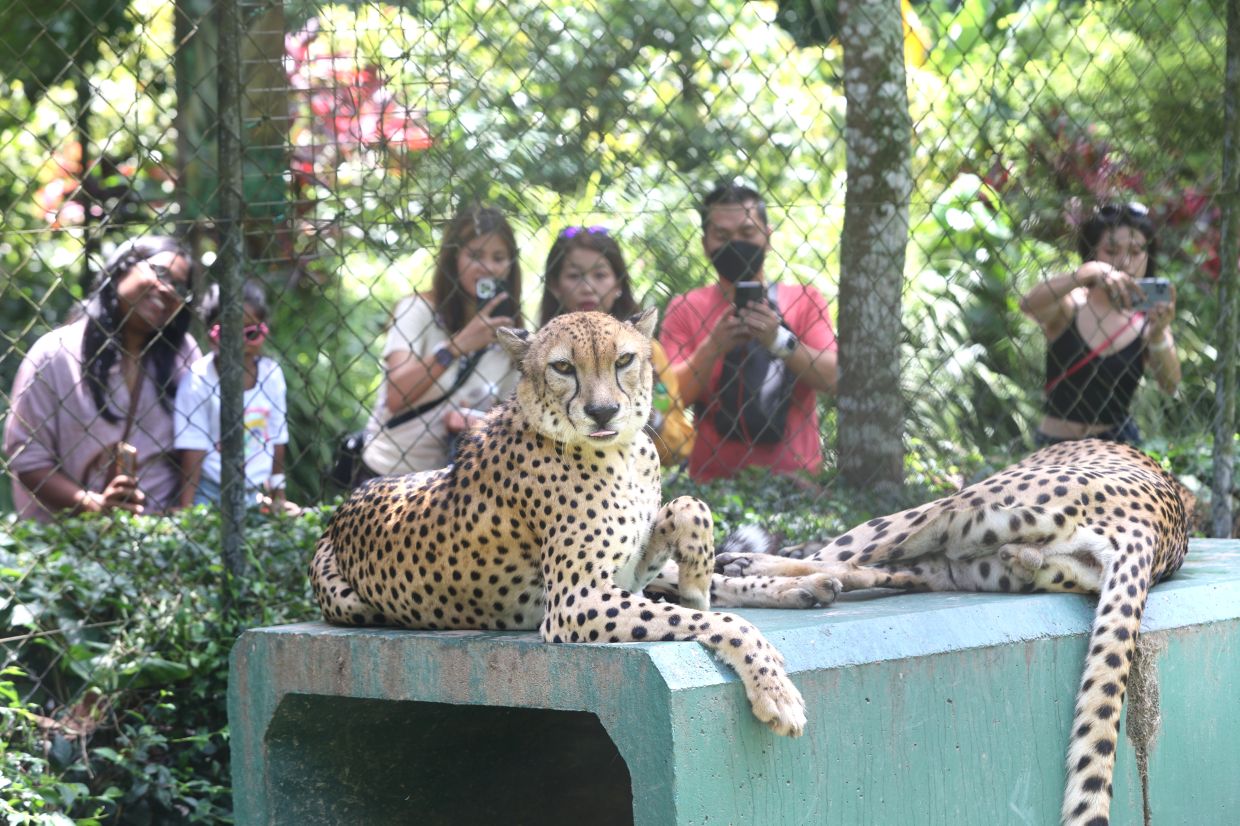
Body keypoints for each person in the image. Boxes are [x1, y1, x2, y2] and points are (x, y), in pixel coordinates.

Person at [4, 236, 202, 519]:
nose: (168, 289)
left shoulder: (184, 354)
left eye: (181, 287)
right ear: (123, 267)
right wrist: (93, 504)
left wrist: (182, 514)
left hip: (161, 531)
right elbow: (27, 459)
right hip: (70, 533)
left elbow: (202, 443)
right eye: (160, 273)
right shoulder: (54, 353)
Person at [660, 182, 839, 481]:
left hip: (796, 483)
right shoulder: (685, 308)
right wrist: (712, 347)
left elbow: (834, 376)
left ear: (767, 238)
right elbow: (666, 397)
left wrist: (779, 341)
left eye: (747, 233)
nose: (736, 244)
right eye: (723, 236)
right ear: (706, 244)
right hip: (711, 483)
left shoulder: (804, 300)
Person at [361, 205, 522, 475]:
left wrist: (478, 422)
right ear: (454, 258)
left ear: (510, 265)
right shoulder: (417, 310)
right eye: (475, 255)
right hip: (386, 473)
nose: (488, 267)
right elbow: (395, 396)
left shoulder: (509, 332)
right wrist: (458, 346)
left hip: (449, 484)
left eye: (499, 257)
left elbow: (511, 419)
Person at [1019, 201, 1180, 446]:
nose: (1125, 263)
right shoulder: (1071, 305)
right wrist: (1082, 274)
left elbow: (1170, 385)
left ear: (1148, 257)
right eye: (1112, 251)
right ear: (1093, 253)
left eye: (1136, 252)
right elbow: (1028, 306)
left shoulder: (1149, 319)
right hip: (1056, 444)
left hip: (1118, 446)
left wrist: (1157, 335)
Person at [539, 225, 694, 465]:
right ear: (555, 286)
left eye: (600, 275)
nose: (588, 287)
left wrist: (641, 411)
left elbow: (681, 444)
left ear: (619, 284)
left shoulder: (647, 351)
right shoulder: (537, 355)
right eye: (574, 276)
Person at [174, 280, 293, 512]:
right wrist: (187, 511)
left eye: (251, 333)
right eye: (227, 334)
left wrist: (278, 495)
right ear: (211, 335)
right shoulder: (198, 380)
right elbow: (193, 448)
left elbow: (278, 437)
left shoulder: (271, 375)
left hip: (254, 491)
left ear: (263, 332)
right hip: (209, 489)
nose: (239, 343)